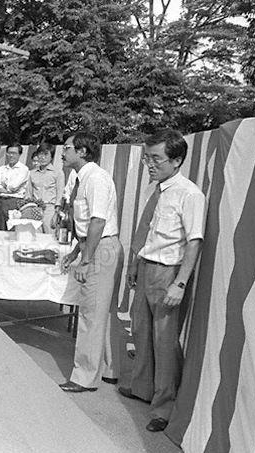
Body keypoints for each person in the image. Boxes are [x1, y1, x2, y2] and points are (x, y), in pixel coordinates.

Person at [121, 129, 205, 433]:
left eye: (156, 158)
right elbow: (147, 230)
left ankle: (164, 407)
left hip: (168, 272)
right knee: (141, 330)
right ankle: (143, 388)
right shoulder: (153, 189)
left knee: (164, 341)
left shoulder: (190, 194)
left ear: (177, 159)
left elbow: (194, 242)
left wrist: (180, 283)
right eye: (147, 157)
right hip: (146, 268)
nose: (150, 164)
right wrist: (135, 263)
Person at [59, 132, 122, 393]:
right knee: (98, 312)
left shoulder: (95, 179)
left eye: (67, 147)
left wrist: (85, 261)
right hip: (93, 245)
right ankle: (107, 368)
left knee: (90, 314)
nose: (63, 152)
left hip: (100, 247)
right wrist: (76, 252)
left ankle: (85, 377)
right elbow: (86, 226)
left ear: (82, 151)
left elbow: (98, 221)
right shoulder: (82, 178)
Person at [0, 143, 29, 230]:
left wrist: (4, 185)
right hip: (2, 201)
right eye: (9, 153)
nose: (11, 155)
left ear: (20, 154)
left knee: (14, 229)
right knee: (1, 229)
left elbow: (14, 186)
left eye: (14, 153)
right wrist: (7, 189)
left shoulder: (23, 169)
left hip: (16, 201)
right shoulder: (2, 169)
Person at [28, 143, 64, 234]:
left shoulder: (58, 173)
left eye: (46, 154)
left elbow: (60, 194)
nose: (42, 157)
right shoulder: (31, 173)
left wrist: (56, 214)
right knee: (35, 237)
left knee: (50, 237)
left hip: (50, 209)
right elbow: (28, 194)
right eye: (40, 154)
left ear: (51, 156)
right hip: (35, 209)